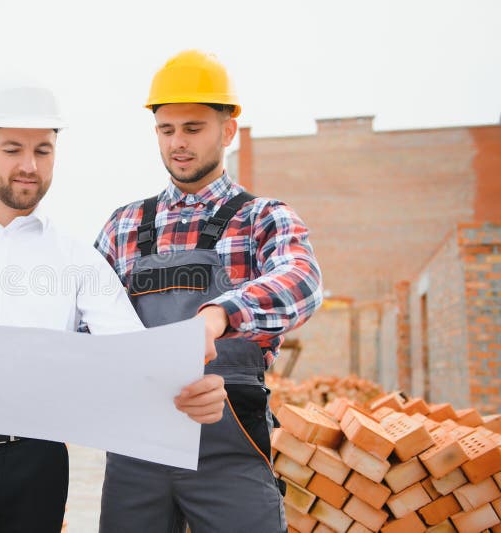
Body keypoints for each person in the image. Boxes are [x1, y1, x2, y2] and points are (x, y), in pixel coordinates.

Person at [0, 73, 227, 533]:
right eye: (12, 149)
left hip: (34, 470)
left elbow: (134, 357)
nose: (28, 165)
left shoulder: (77, 259)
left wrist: (190, 387)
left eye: (42, 151)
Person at [95, 50, 324, 533]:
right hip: (137, 446)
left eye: (193, 128)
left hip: (229, 442)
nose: (178, 143)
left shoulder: (263, 218)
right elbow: (83, 321)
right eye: (167, 129)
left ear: (228, 130)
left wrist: (219, 313)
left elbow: (302, 280)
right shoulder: (124, 226)